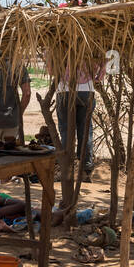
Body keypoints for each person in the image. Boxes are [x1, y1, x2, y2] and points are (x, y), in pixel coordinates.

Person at [52, 52, 105, 182]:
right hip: (87, 91)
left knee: (65, 131)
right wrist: (97, 75)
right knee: (85, 131)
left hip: (64, 90)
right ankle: (85, 171)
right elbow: (103, 67)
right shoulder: (94, 43)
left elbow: (51, 69)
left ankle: (65, 170)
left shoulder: (56, 42)